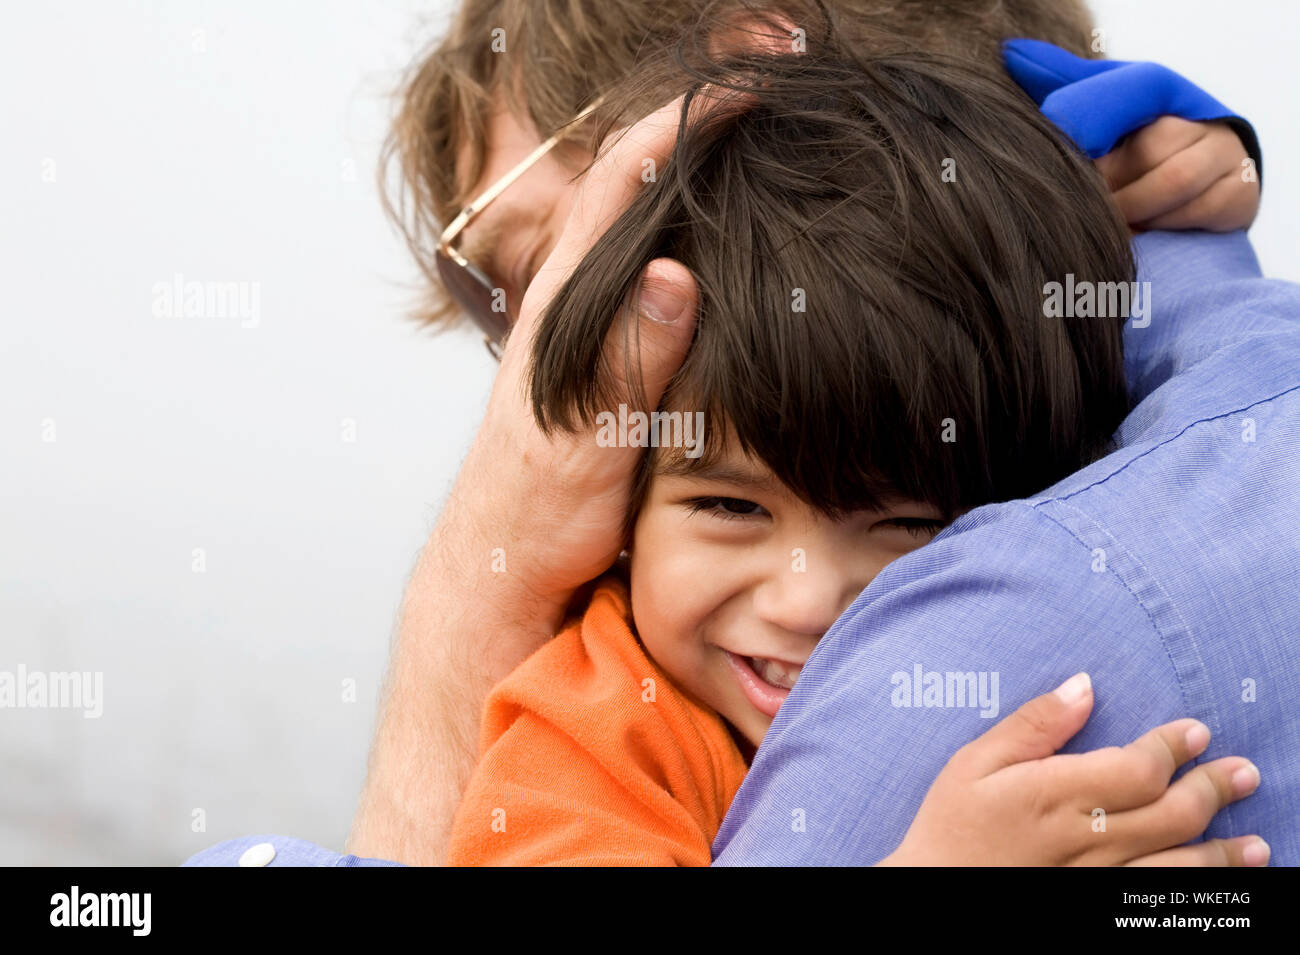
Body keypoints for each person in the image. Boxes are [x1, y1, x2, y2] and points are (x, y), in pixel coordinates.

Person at [184, 2, 1283, 867]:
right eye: (492, 300)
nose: (525, 369)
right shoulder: (602, 724)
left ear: (761, 76)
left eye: (532, 264)